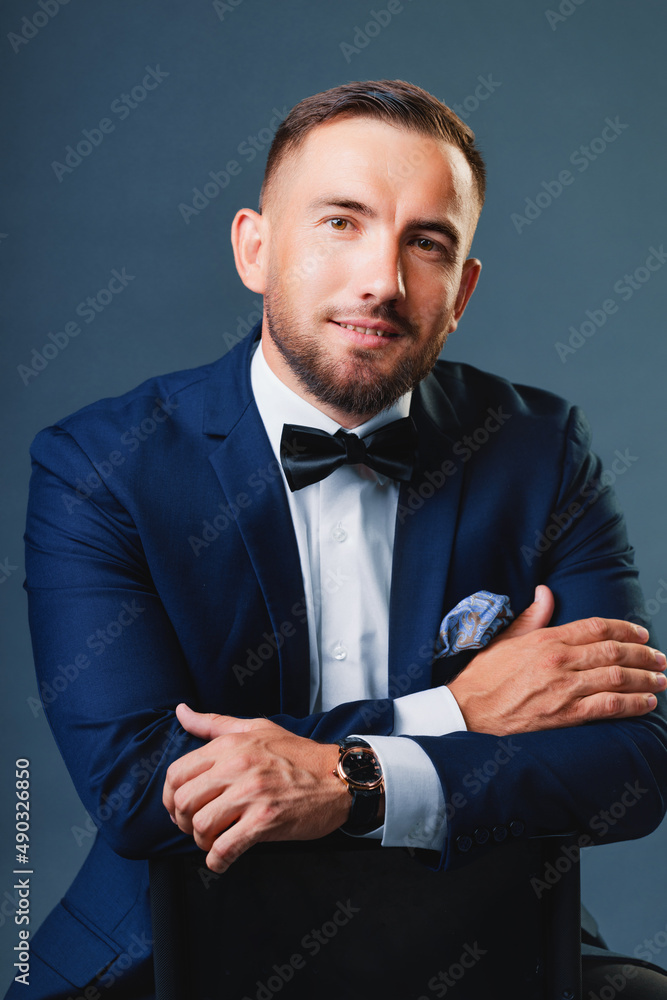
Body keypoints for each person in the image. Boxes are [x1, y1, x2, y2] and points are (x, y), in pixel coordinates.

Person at [8, 79, 667, 999]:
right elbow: (139, 789)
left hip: (480, 945)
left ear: (463, 290)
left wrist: (344, 779)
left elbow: (632, 768)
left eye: (425, 243)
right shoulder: (99, 463)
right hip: (180, 948)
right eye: (340, 223)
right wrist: (457, 710)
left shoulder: (538, 448)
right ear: (255, 247)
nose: (382, 281)